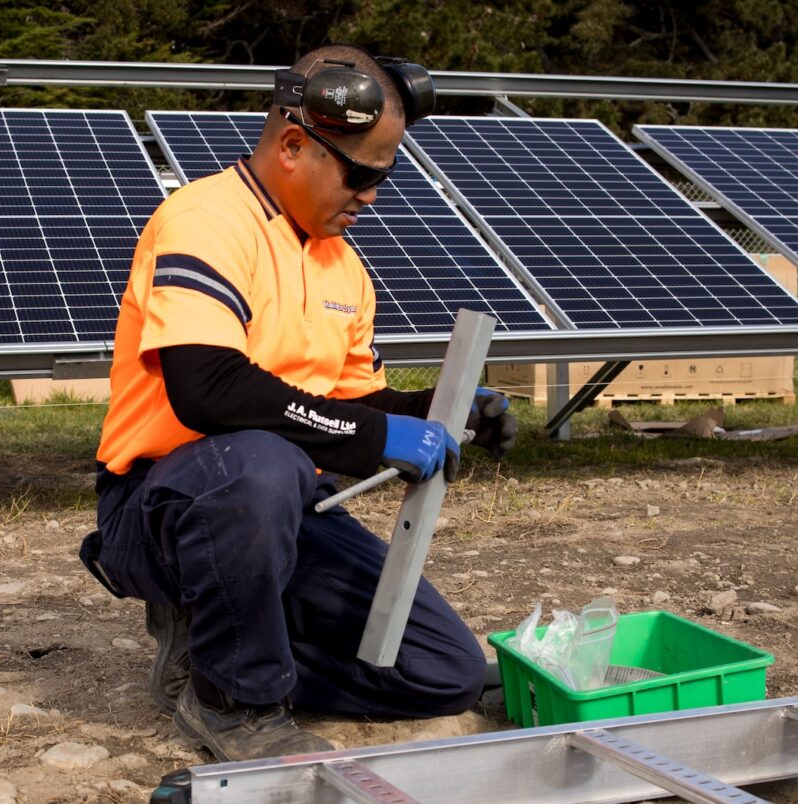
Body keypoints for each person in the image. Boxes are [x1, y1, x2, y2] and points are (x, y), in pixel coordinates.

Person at [80, 45, 517, 762]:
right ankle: (231, 700)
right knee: (261, 461)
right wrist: (374, 436)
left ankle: (221, 648)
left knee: (445, 673)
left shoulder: (343, 266)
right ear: (292, 145)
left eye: (385, 176)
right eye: (361, 174)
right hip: (167, 504)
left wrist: (442, 409)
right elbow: (207, 387)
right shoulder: (206, 221)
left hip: (288, 507)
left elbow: (354, 400)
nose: (371, 195)